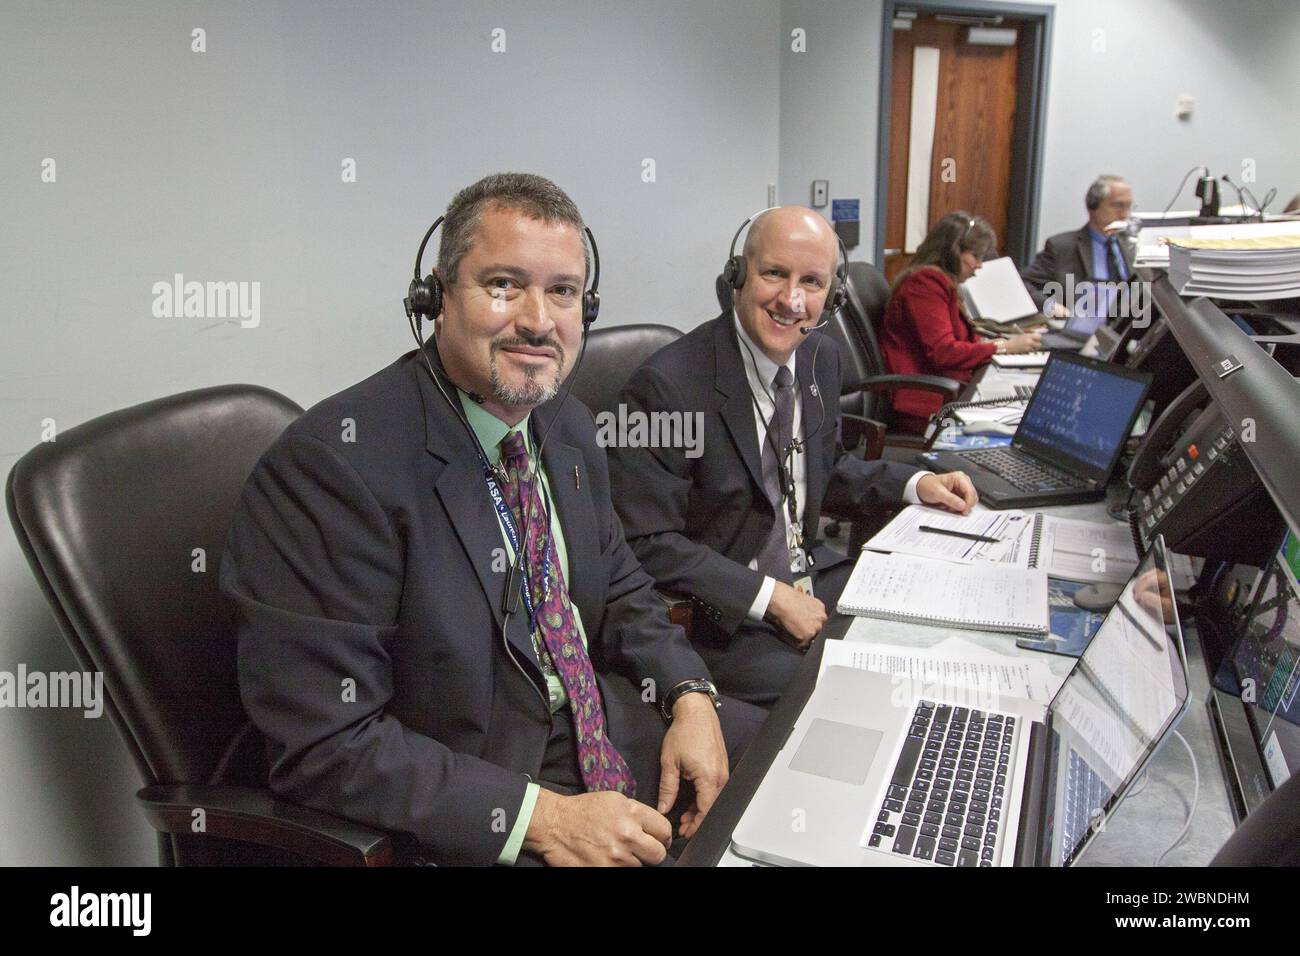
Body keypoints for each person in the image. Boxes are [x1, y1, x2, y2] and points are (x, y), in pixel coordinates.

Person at [220, 173, 765, 866]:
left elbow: (623, 584)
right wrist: (542, 819)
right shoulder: (330, 471)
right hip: (464, 795)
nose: (539, 320)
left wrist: (688, 693)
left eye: (563, 291)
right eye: (504, 285)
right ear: (436, 299)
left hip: (591, 724)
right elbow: (329, 744)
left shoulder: (563, 424)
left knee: (787, 763)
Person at [608, 206, 978, 708]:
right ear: (736, 277)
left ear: (833, 295)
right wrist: (770, 598)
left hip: (812, 578)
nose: (792, 300)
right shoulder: (667, 387)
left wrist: (914, 484)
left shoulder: (820, 357)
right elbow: (646, 541)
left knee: (931, 625)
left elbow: (829, 469)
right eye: (774, 274)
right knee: (857, 697)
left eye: (812, 281)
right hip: (725, 616)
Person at [880, 212, 1041, 431]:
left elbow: (957, 340)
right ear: (954, 251)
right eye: (975, 256)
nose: (979, 265)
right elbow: (943, 352)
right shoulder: (925, 283)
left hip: (949, 388)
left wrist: (997, 343)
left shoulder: (939, 281)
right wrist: (1003, 347)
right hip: (928, 401)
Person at [1020, 175, 1137, 313]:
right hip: (1083, 323)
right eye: (1118, 206)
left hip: (1130, 324)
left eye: (1129, 206)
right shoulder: (1062, 247)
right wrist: (1051, 306)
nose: (1125, 214)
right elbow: (1022, 286)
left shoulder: (1134, 246)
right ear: (1093, 206)